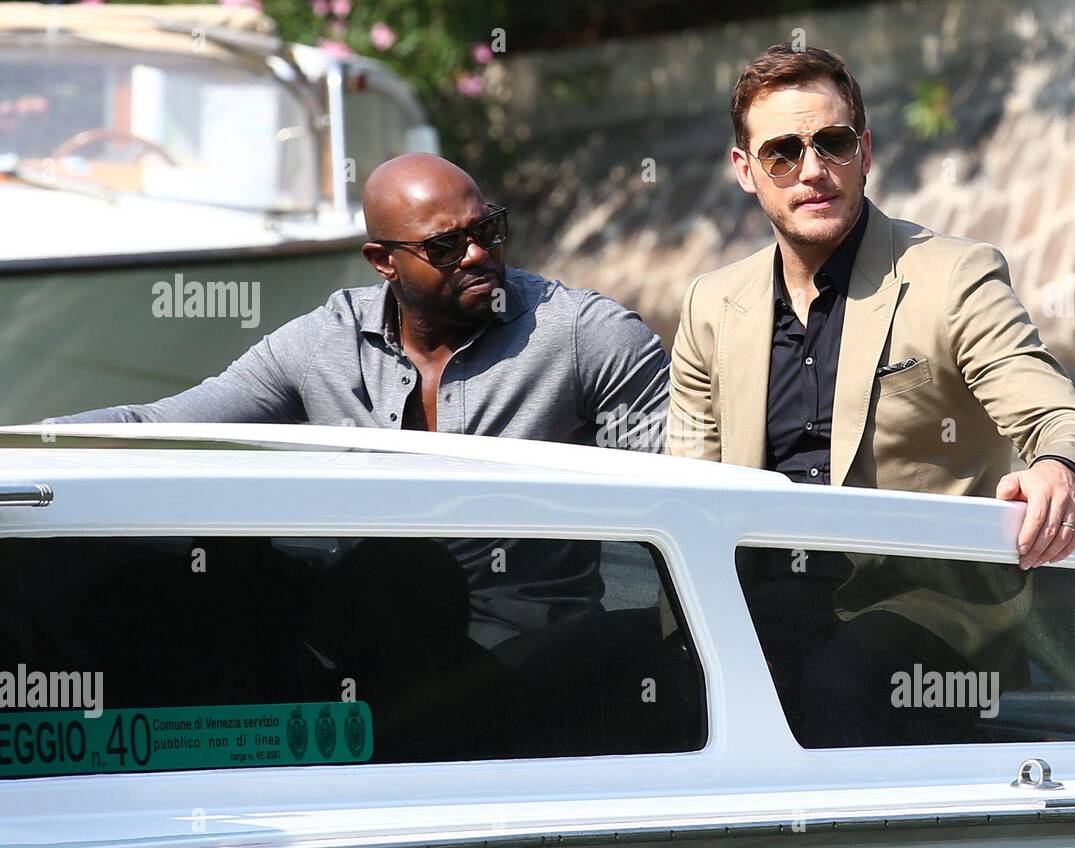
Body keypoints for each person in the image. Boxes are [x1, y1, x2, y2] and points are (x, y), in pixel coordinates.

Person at [667, 43, 1075, 745]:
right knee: (626, 668)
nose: (813, 170)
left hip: (922, 605)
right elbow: (685, 484)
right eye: (782, 153)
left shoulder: (954, 276)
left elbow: (1061, 419)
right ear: (745, 171)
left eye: (833, 143)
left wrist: (1061, 470)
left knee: (833, 685)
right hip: (748, 596)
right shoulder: (710, 305)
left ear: (865, 150)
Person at [49, 153, 672, 650]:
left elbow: (683, 483)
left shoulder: (582, 333)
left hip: (539, 659)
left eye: (488, 230)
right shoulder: (325, 343)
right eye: (446, 247)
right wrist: (33, 447)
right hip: (367, 652)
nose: (479, 254)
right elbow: (163, 426)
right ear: (383, 261)